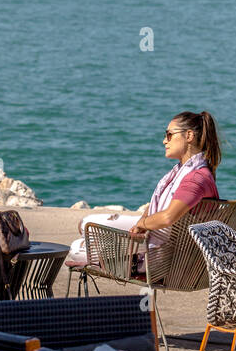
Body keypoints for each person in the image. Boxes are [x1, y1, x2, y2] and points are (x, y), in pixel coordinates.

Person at [66, 111, 221, 269]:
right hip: (168, 241)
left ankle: (119, 258)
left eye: (169, 135)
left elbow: (168, 217)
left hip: (167, 257)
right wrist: (144, 220)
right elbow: (162, 207)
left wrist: (143, 224)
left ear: (189, 136)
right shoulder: (189, 172)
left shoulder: (195, 179)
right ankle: (113, 255)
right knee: (85, 226)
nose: (164, 141)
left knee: (78, 247)